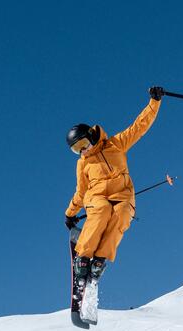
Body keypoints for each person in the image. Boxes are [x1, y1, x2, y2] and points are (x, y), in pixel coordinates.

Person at [63, 86, 165, 282]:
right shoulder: (83, 164)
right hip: (96, 197)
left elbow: (139, 127)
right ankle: (83, 257)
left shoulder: (116, 145)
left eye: (82, 144)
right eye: (76, 150)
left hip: (123, 195)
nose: (82, 151)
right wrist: (70, 212)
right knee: (101, 211)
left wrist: (155, 102)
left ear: (91, 136)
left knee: (122, 214)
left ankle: (100, 259)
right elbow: (81, 192)